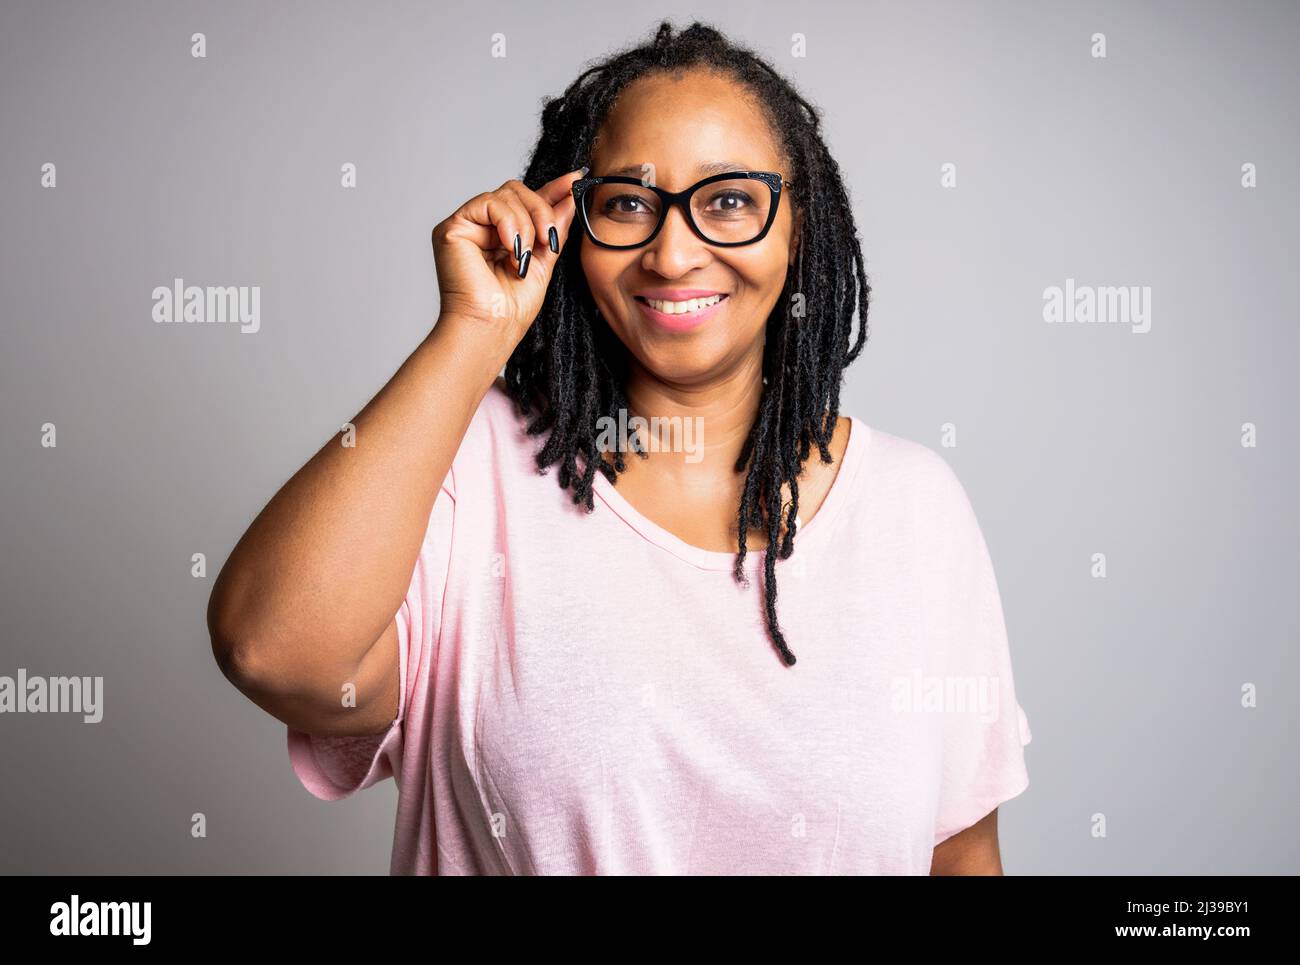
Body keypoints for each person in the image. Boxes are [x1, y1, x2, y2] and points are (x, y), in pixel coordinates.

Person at [207, 20, 1032, 875]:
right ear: (573, 222)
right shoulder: (463, 469)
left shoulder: (914, 508)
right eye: (629, 205)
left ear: (801, 229)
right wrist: (471, 332)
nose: (673, 253)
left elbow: (963, 855)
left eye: (729, 200)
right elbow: (272, 649)